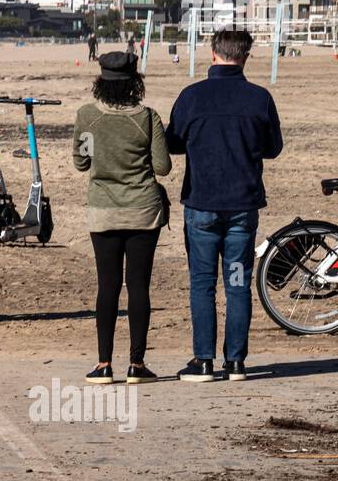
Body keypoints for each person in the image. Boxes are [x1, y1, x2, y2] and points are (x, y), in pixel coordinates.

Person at [166, 29, 283, 382]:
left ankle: (203, 360)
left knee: (202, 284)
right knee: (237, 284)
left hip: (202, 205)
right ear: (245, 56)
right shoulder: (259, 98)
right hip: (242, 207)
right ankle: (235, 362)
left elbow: (173, 143)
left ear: (213, 54)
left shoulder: (191, 97)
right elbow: (273, 147)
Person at [72, 52, 171, 385]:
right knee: (139, 285)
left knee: (108, 286)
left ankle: (103, 363)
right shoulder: (148, 118)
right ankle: (137, 364)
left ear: (100, 82)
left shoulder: (87, 116)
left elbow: (81, 163)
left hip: (103, 210)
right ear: (135, 83)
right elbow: (162, 167)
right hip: (143, 209)